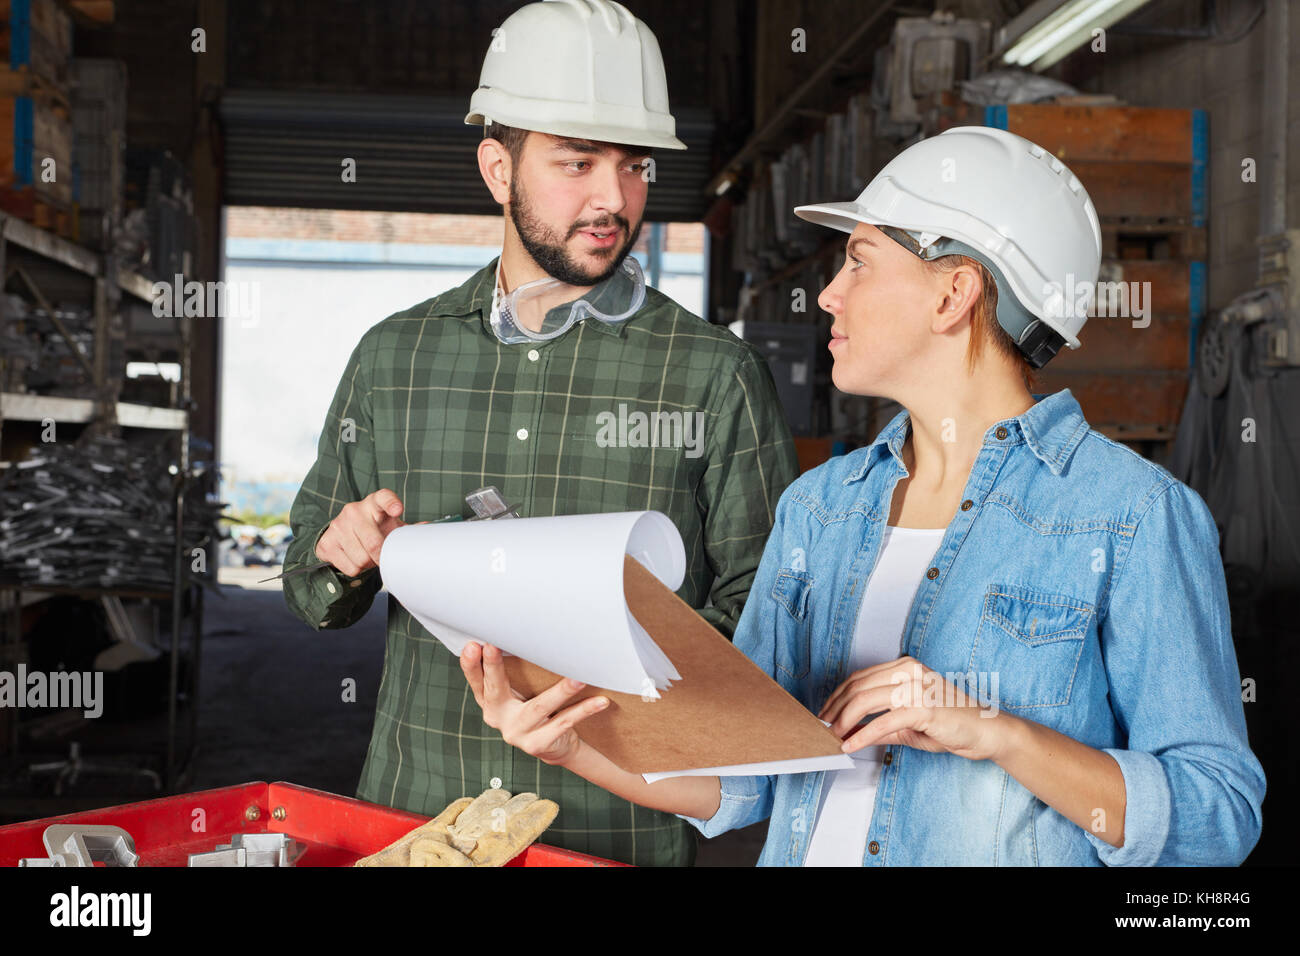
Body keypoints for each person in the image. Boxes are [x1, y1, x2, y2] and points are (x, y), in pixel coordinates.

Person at [459, 125, 1267, 866]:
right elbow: (745, 778)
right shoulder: (820, 508)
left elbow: (1218, 814)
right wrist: (572, 746)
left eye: (860, 261)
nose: (829, 294)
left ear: (954, 294)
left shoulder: (1131, 516)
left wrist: (992, 732)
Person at [279, 0, 798, 867]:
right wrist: (342, 556)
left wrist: (614, 662)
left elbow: (769, 612)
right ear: (498, 168)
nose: (613, 198)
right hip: (418, 822)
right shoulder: (395, 357)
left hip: (614, 833)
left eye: (634, 166)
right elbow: (306, 582)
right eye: (577, 163)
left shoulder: (713, 374)